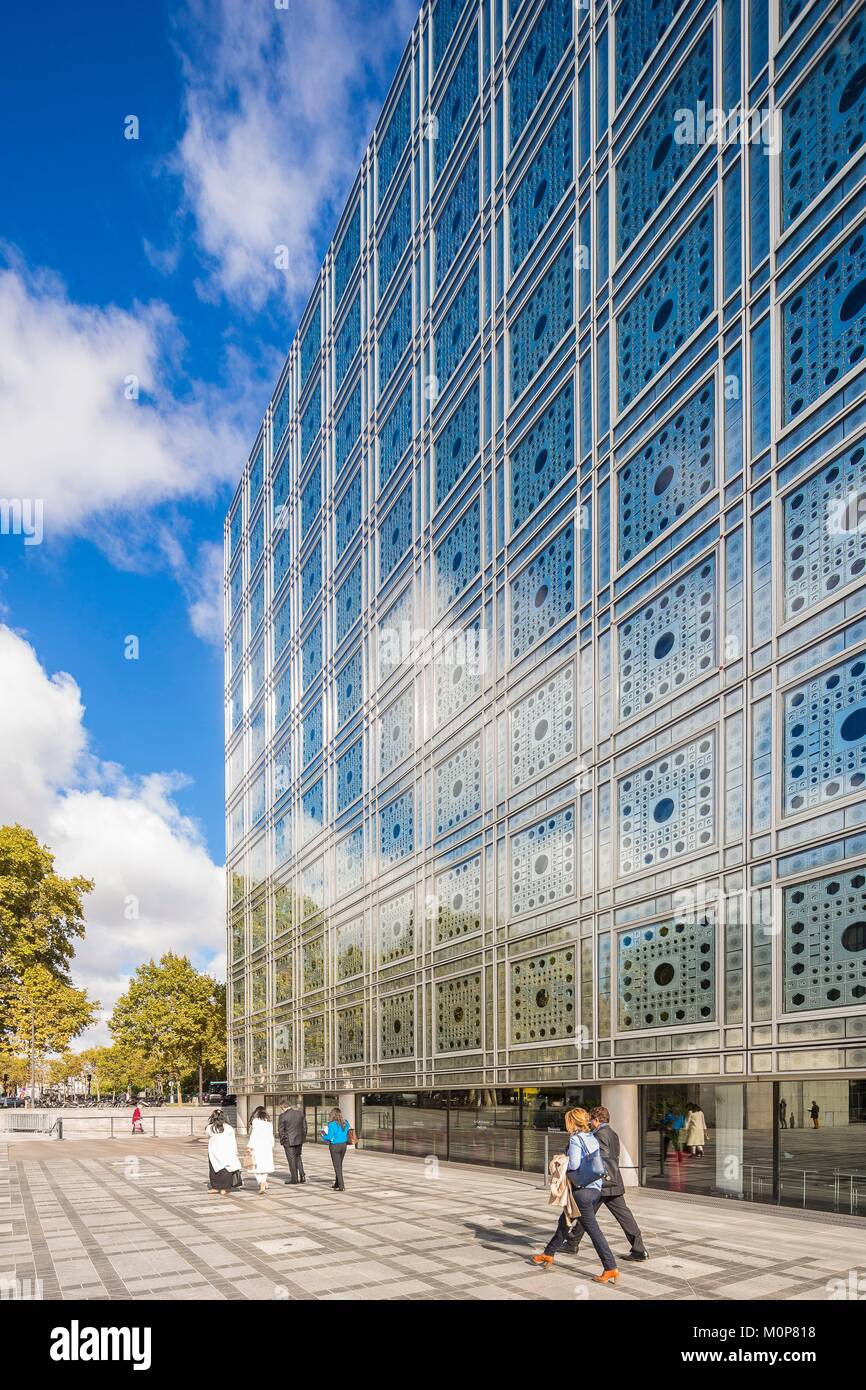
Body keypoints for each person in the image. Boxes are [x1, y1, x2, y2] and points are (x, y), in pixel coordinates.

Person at [532, 1107, 619, 1284]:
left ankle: (610, 1268)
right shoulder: (591, 1136)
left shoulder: (576, 1139)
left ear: (571, 1122)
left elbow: (574, 1165)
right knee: (564, 1222)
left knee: (594, 1231)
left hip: (582, 1192)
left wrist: (560, 1160)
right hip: (594, 1188)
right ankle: (548, 1254)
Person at [559, 1106, 648, 1262]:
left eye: (592, 1120)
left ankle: (571, 1243)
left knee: (581, 1213)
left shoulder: (599, 1134)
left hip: (601, 1183)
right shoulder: (613, 1134)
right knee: (624, 1216)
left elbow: (601, 1159)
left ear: (597, 1120)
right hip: (614, 1182)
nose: (590, 1123)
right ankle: (639, 1249)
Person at [207, 1111, 241, 1197]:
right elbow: (233, 1141)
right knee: (226, 1170)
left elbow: (208, 1135)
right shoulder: (229, 1128)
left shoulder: (210, 1128)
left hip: (214, 1152)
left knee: (214, 1170)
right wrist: (235, 1152)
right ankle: (224, 1188)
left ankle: (215, 1187)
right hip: (227, 1152)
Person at [247, 1106, 276, 1193]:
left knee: (255, 1167)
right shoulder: (269, 1123)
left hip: (257, 1146)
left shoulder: (255, 1121)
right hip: (267, 1147)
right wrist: (271, 1144)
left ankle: (261, 1182)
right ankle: (263, 1181)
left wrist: (249, 1146)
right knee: (265, 1166)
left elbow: (254, 1135)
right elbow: (271, 1135)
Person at [321, 1107, 351, 1191]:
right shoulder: (346, 1122)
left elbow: (329, 1137)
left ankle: (341, 1186)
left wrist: (323, 1135)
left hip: (335, 1146)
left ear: (333, 1115)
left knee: (337, 1166)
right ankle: (337, 1183)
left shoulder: (331, 1124)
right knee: (339, 1165)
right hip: (343, 1145)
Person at [278, 1099, 307, 1185]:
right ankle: (302, 1176)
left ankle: (294, 1179)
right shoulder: (300, 1113)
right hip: (299, 1140)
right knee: (298, 1157)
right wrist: (302, 1137)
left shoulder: (283, 1116)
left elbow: (281, 1130)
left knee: (291, 1160)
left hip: (289, 1141)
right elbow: (305, 1127)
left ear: (283, 1106)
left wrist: (283, 1140)